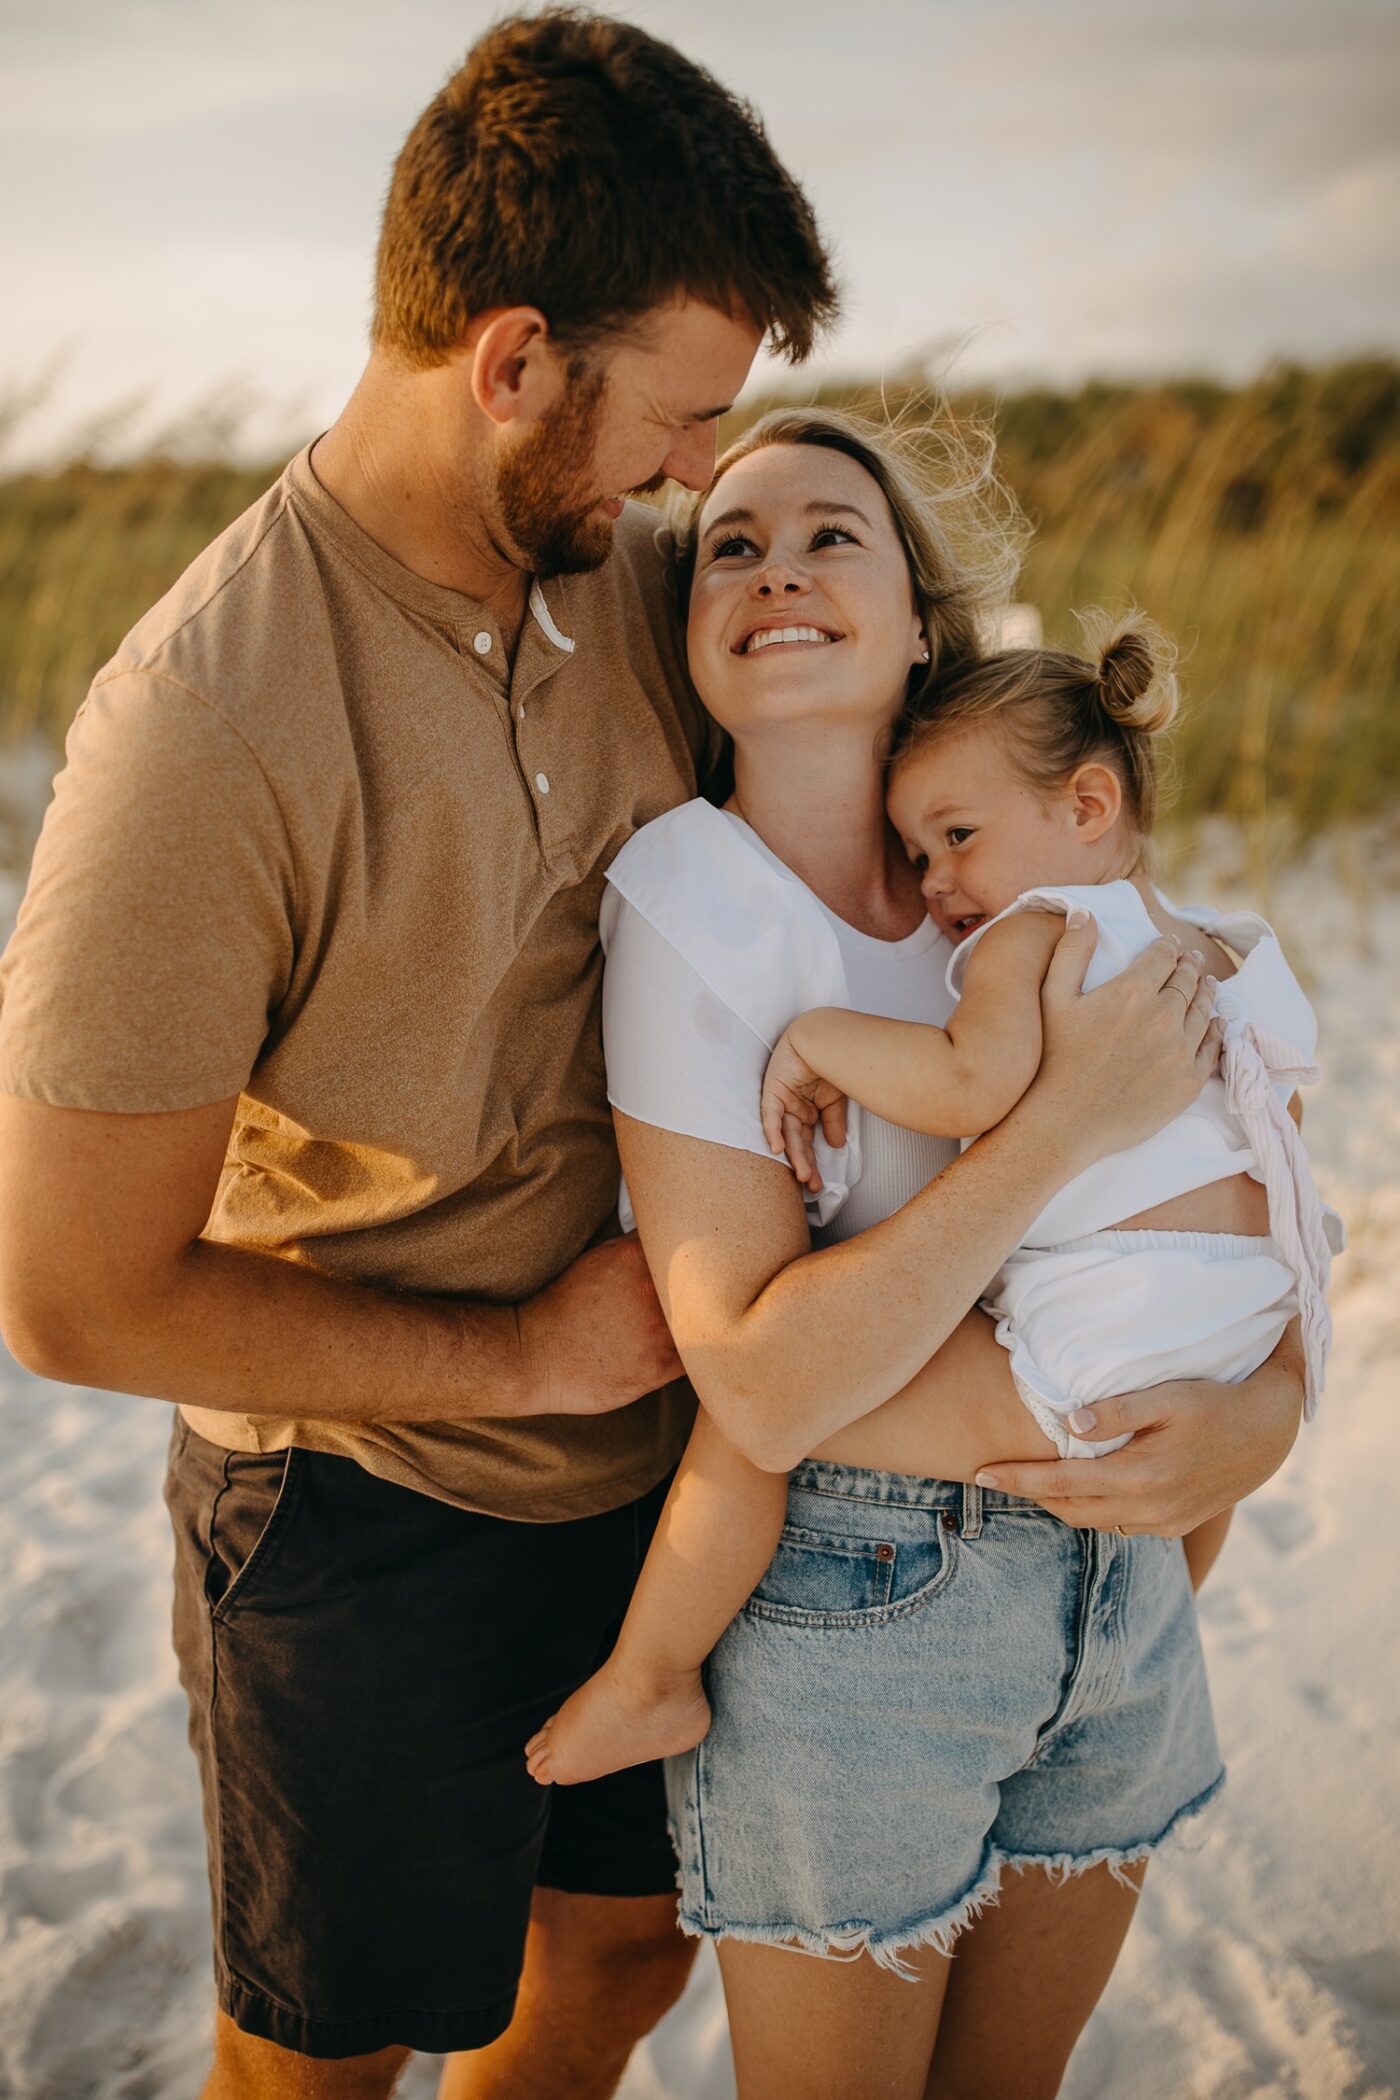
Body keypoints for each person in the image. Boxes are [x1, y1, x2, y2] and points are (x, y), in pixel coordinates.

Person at [0, 14, 841, 2097]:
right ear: (511, 358)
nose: (692, 475)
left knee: (622, 1962)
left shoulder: (646, 588)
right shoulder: (206, 723)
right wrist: (520, 1363)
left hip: (664, 1473)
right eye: (675, 419)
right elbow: (69, 1293)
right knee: (341, 2050)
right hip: (366, 1504)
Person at [524, 406, 1307, 2100]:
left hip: (1131, 1587)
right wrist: (1058, 1131)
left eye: (833, 534)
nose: (780, 566)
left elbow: (1247, 1185)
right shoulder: (697, 896)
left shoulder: (1007, 867)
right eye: (731, 542)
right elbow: (762, 1376)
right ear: (690, 630)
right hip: (871, 1603)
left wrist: (1275, 1413)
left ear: (920, 614)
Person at [527, 609, 1333, 1801]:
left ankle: (650, 1675)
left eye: (956, 837)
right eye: (917, 852)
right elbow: (1283, 1145)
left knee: (760, 1421)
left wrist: (818, 1041)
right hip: (1239, 1325)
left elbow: (970, 1077)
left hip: (1094, 1345)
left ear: (1088, 807)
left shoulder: (1036, 935)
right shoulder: (1231, 951)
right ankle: (1148, 1625)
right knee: (1159, 1497)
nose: (939, 880)